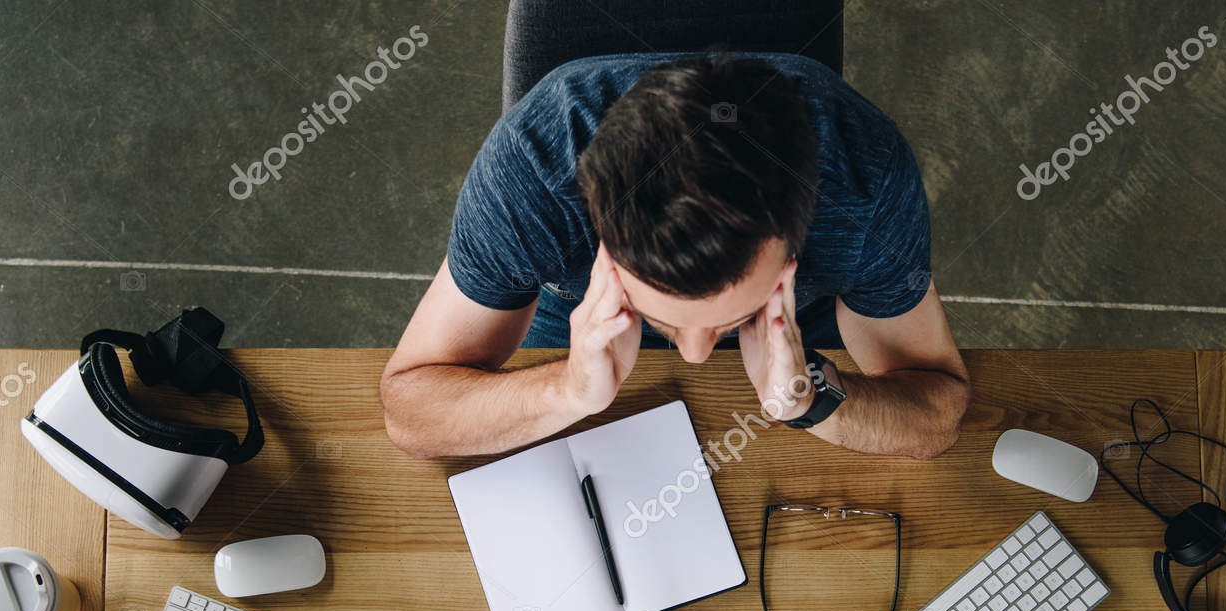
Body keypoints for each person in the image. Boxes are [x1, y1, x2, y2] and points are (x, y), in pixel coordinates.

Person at [381, 52, 970, 459]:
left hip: (793, 326)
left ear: (793, 253)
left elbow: (939, 409)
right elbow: (409, 411)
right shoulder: (532, 172)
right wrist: (566, 389)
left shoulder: (866, 180)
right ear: (605, 252)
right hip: (586, 319)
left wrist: (810, 398)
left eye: (730, 316)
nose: (696, 355)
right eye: (663, 317)